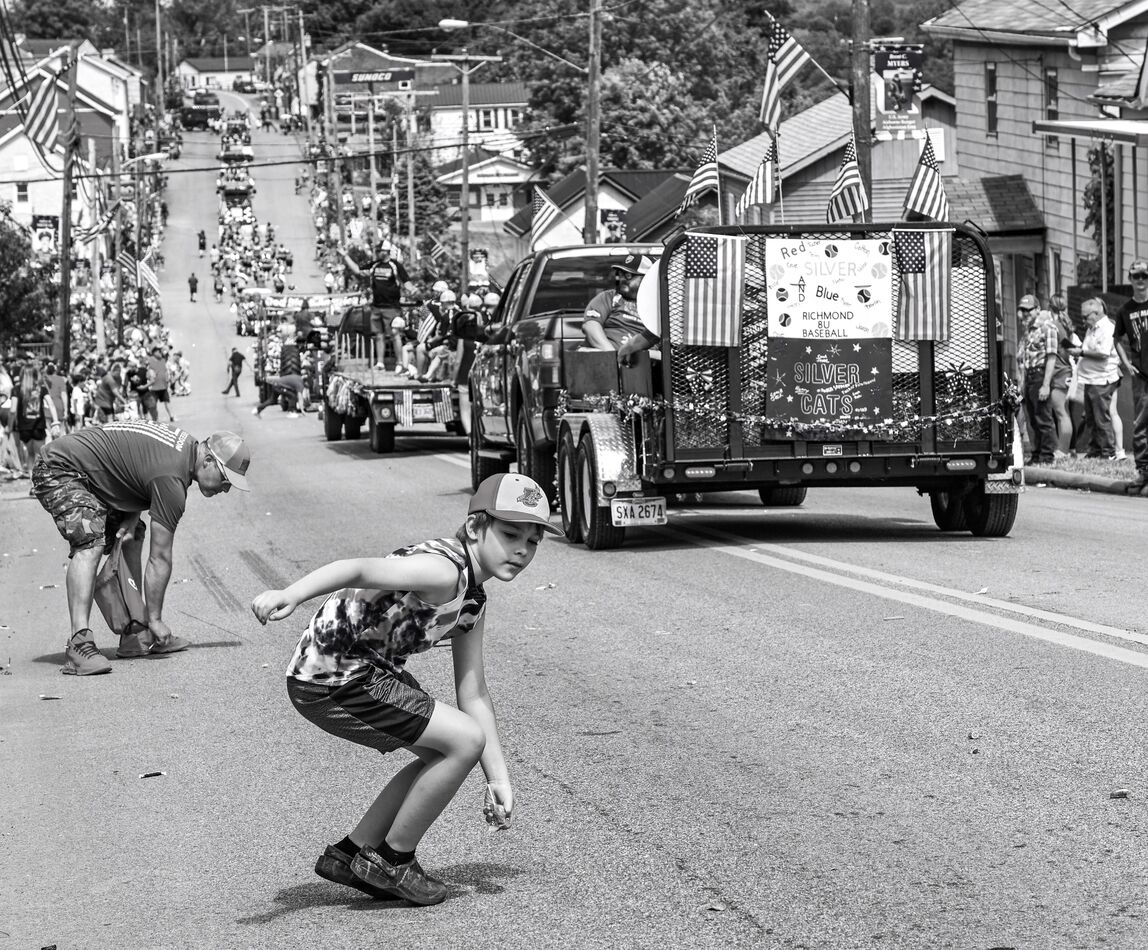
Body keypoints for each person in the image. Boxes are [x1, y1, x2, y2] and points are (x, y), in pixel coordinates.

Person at [250, 472, 559, 905]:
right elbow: (357, 568)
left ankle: (353, 853)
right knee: (465, 739)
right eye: (510, 534)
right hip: (335, 676)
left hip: (363, 675)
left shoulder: (472, 599)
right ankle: (392, 862)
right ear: (474, 528)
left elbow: (473, 692)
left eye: (534, 540)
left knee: (447, 749)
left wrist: (499, 778)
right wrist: (291, 593)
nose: (523, 549)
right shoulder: (443, 570)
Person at [31, 424, 252, 676]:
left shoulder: (184, 450)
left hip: (88, 472)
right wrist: (157, 619)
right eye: (225, 479)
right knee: (90, 541)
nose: (225, 489)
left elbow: (135, 468)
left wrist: (131, 513)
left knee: (132, 533)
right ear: (209, 460)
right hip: (59, 469)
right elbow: (159, 558)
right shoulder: (173, 477)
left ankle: (135, 629)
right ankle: (79, 642)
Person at [341, 245, 416, 372]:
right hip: (376, 307)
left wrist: (414, 290)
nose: (379, 253)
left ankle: (399, 363)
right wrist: (345, 255)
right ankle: (380, 363)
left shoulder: (395, 265)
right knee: (378, 335)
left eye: (381, 250)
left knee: (395, 334)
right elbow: (358, 270)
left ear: (387, 252)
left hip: (392, 307)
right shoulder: (374, 265)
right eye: (378, 250)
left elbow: (406, 281)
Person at [582, 254, 658, 366]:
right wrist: (613, 356)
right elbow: (591, 327)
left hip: (642, 366)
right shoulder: (609, 297)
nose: (622, 279)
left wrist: (637, 355)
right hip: (603, 360)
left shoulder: (658, 306)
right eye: (621, 274)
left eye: (628, 275)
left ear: (647, 278)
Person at [1070, 297, 1121, 459]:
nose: (1084, 321)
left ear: (1097, 313)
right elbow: (1087, 348)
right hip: (1090, 379)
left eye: (1086, 317)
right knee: (1091, 418)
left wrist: (1082, 353)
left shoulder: (1107, 328)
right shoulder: (1092, 328)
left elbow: (1103, 353)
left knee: (1101, 418)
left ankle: (1108, 452)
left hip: (1102, 379)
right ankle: (1095, 450)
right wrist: (1079, 350)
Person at [1114, 258, 1148, 487]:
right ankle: (1143, 470)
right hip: (1142, 374)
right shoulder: (1125, 310)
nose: (1141, 280)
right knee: (1141, 423)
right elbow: (1117, 338)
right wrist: (1126, 363)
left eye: (1145, 275)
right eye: (1136, 276)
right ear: (1130, 280)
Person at [1016, 294, 1057, 465]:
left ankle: (1047, 456)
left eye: (1028, 310)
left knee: (1043, 418)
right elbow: (1023, 359)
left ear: (1037, 309)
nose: (1025, 313)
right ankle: (1036, 453)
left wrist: (1046, 385)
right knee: (1032, 418)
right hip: (1029, 377)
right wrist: (1021, 383)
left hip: (1041, 375)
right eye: (1022, 310)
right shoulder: (1028, 330)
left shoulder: (1047, 328)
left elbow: (1052, 357)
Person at [147, 346, 177, 423]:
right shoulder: (149, 361)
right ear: (154, 353)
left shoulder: (163, 360)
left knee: (167, 402)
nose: (160, 353)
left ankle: (172, 416)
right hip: (153, 387)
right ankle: (155, 419)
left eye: (160, 351)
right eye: (158, 351)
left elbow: (166, 371)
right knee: (153, 405)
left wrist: (168, 380)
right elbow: (147, 372)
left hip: (163, 386)